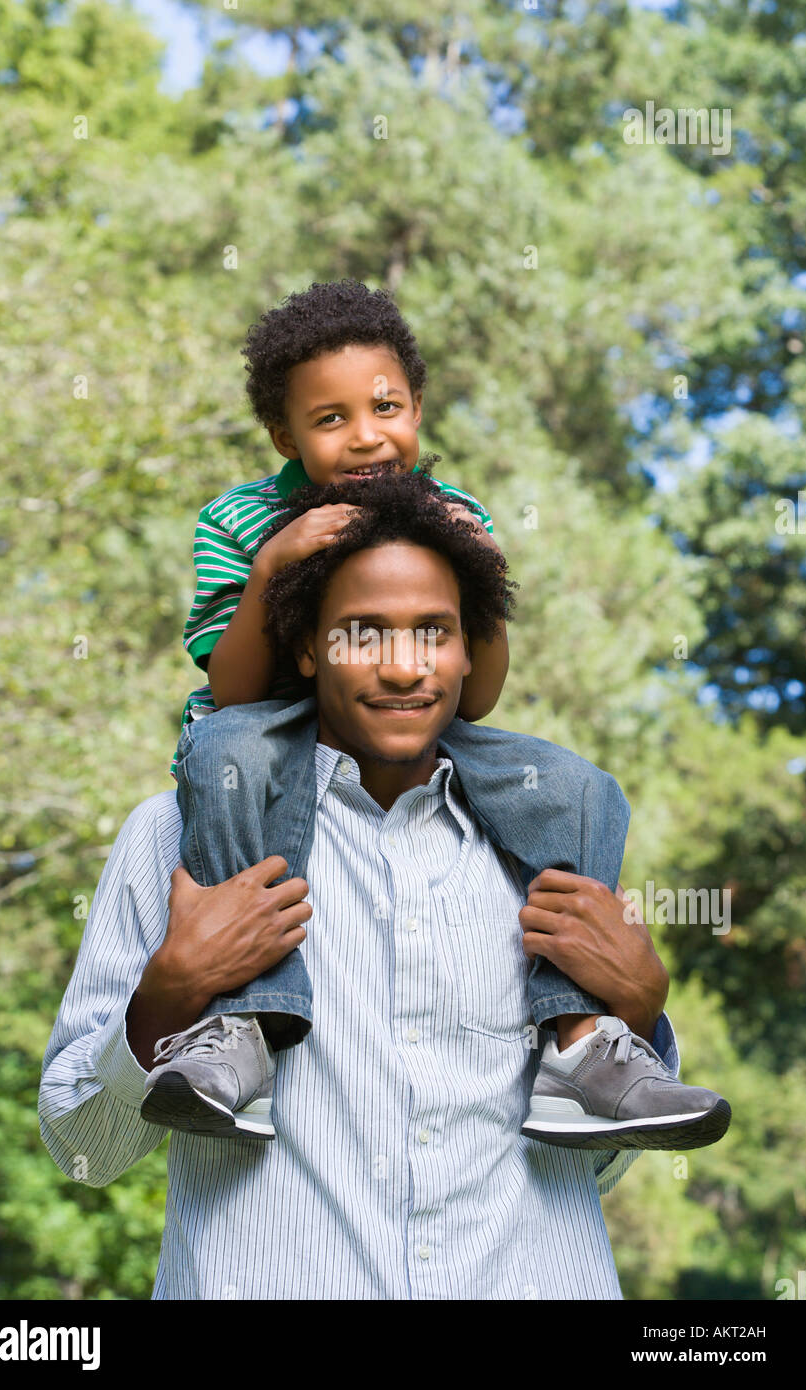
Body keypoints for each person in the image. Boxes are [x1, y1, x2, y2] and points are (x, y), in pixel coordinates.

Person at [40, 484, 728, 1300]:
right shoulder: (181, 839)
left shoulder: (546, 850)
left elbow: (585, 1169)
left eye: (433, 633)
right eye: (361, 635)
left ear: (468, 650)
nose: (403, 667)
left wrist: (639, 1010)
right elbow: (84, 1144)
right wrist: (168, 995)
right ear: (306, 648)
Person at [143, 279, 729, 1151]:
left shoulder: (454, 513)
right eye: (330, 418)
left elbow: (480, 694)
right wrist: (271, 571)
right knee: (222, 751)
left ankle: (578, 1041)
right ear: (285, 436)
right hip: (267, 728)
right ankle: (240, 1027)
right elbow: (234, 692)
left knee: (578, 784)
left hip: (427, 731)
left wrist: (482, 574)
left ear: (417, 406)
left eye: (385, 406)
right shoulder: (240, 520)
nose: (367, 434)